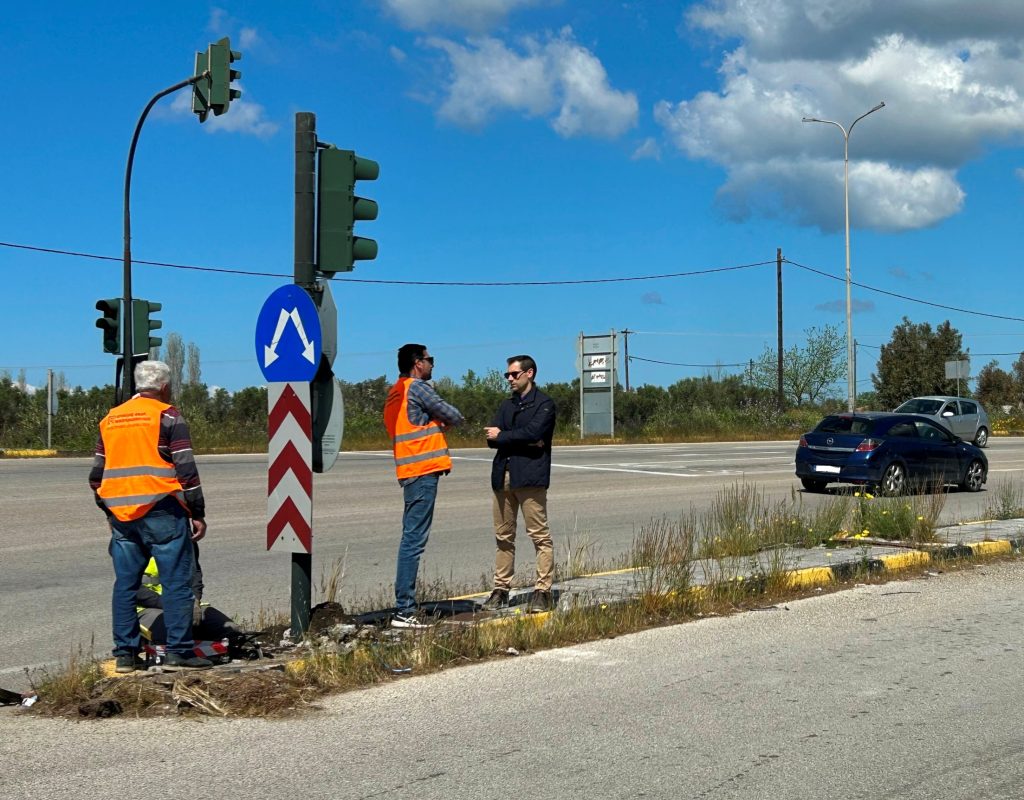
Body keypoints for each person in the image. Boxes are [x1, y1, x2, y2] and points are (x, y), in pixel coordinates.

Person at [88, 360, 213, 672]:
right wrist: (197, 512)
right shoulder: (167, 415)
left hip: (122, 517)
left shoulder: (111, 419)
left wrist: (109, 509)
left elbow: (96, 476)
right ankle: (178, 652)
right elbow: (186, 468)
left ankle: (125, 656)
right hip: (163, 510)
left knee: (125, 586)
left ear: (137, 385)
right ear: (165, 387)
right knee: (176, 583)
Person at [383, 344, 465, 628]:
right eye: (430, 360)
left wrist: (432, 420)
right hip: (422, 472)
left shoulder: (397, 391)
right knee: (413, 542)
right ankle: (405, 611)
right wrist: (440, 420)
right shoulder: (417, 388)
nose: (433, 365)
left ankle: (404, 607)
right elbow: (453, 415)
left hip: (409, 471)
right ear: (418, 363)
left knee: (410, 538)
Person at [482, 355, 557, 613]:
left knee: (539, 536)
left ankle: (543, 591)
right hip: (503, 477)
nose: (510, 379)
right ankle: (501, 589)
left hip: (530, 478)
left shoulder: (544, 404)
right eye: (508, 375)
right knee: (503, 536)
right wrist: (514, 439)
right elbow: (491, 439)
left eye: (514, 374)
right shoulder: (506, 405)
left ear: (530, 373)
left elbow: (536, 434)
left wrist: (505, 436)